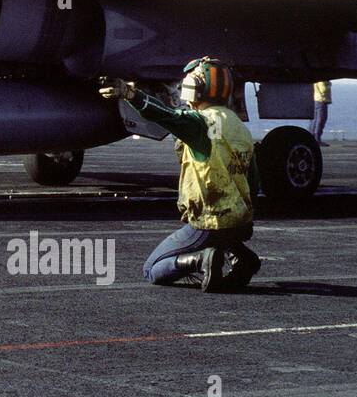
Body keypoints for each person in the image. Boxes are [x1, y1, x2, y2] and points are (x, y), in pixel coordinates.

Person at [100, 57, 261, 292]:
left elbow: (164, 115)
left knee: (151, 269)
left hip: (208, 222)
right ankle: (243, 257)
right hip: (240, 223)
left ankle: (200, 260)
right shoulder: (239, 127)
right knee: (224, 234)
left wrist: (129, 93)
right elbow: (253, 181)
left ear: (194, 88)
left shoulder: (200, 123)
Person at [312, 80, 332, 145]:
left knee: (316, 120)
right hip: (321, 100)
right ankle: (317, 138)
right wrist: (329, 84)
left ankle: (314, 137)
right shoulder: (322, 80)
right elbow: (323, 90)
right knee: (321, 119)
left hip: (317, 100)